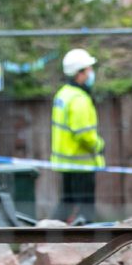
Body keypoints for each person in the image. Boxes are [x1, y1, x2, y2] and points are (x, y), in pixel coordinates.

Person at [50, 48, 104, 223]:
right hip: (81, 163)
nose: (91, 73)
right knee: (85, 210)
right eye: (88, 69)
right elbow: (84, 134)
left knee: (66, 204)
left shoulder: (63, 94)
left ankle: (48, 237)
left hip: (67, 163)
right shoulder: (79, 99)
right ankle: (87, 244)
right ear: (79, 73)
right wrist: (99, 145)